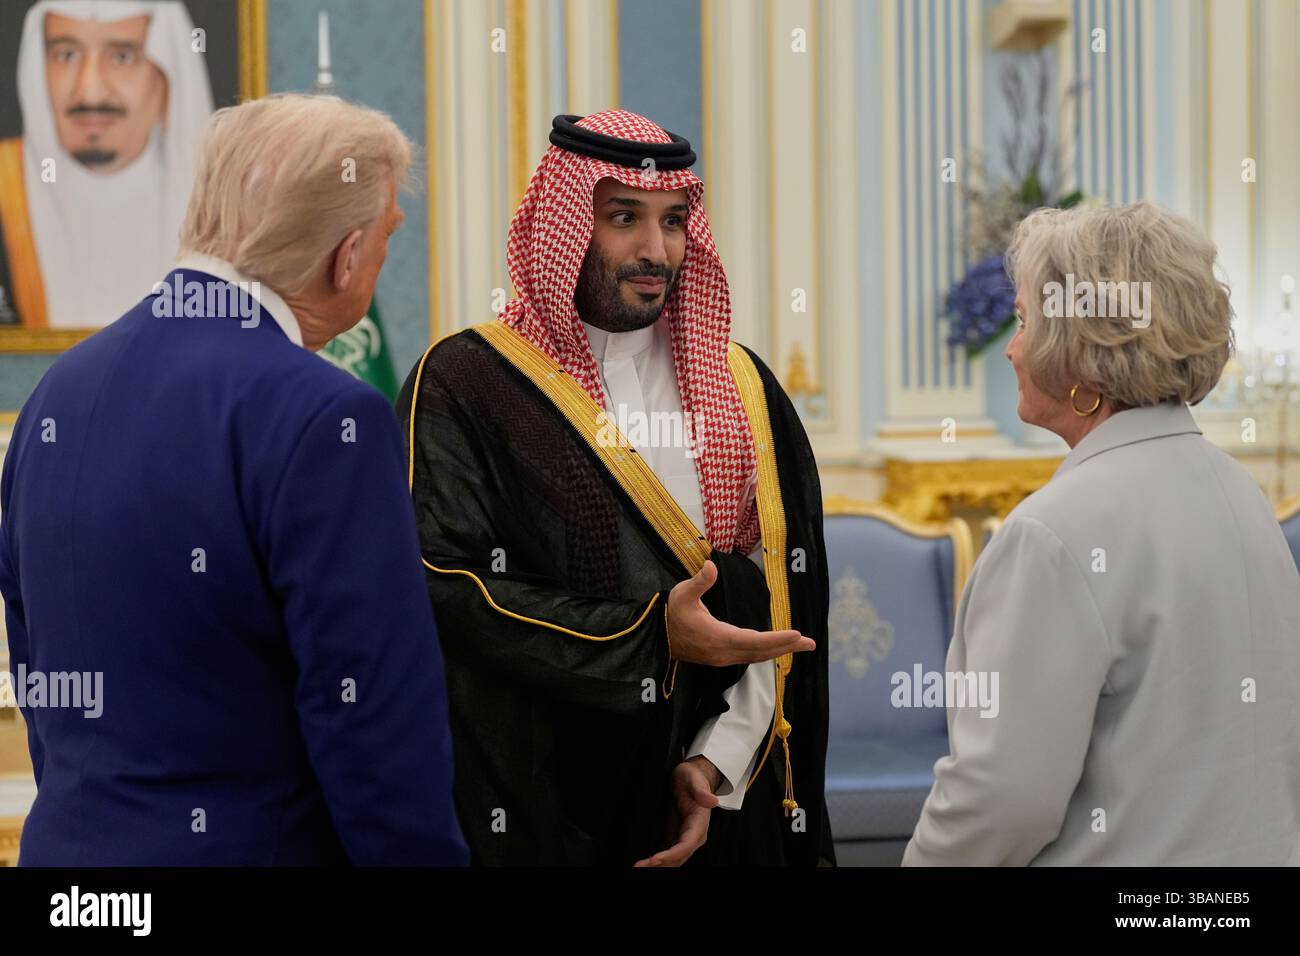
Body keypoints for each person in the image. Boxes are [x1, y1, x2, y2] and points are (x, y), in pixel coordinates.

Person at [0, 93, 466, 866]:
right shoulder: (327, 418)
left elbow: (38, 665)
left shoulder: (60, 391)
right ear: (346, 257)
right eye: (387, 239)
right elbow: (373, 718)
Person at [399, 110, 835, 866]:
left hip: (723, 790)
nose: (655, 250)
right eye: (622, 218)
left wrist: (717, 761)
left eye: (673, 223)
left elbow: (784, 601)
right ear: (565, 225)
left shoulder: (746, 388)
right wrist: (645, 640)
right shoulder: (467, 381)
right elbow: (445, 584)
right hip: (547, 798)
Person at [904, 200, 1300, 865]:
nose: (1010, 347)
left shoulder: (1051, 533)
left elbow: (1000, 800)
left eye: (1024, 321)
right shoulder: (1241, 492)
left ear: (1080, 354)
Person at [0, 0, 213, 329]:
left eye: (122, 57)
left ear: (168, 71)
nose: (91, 91)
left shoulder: (221, 205)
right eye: (66, 55)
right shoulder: (6, 184)